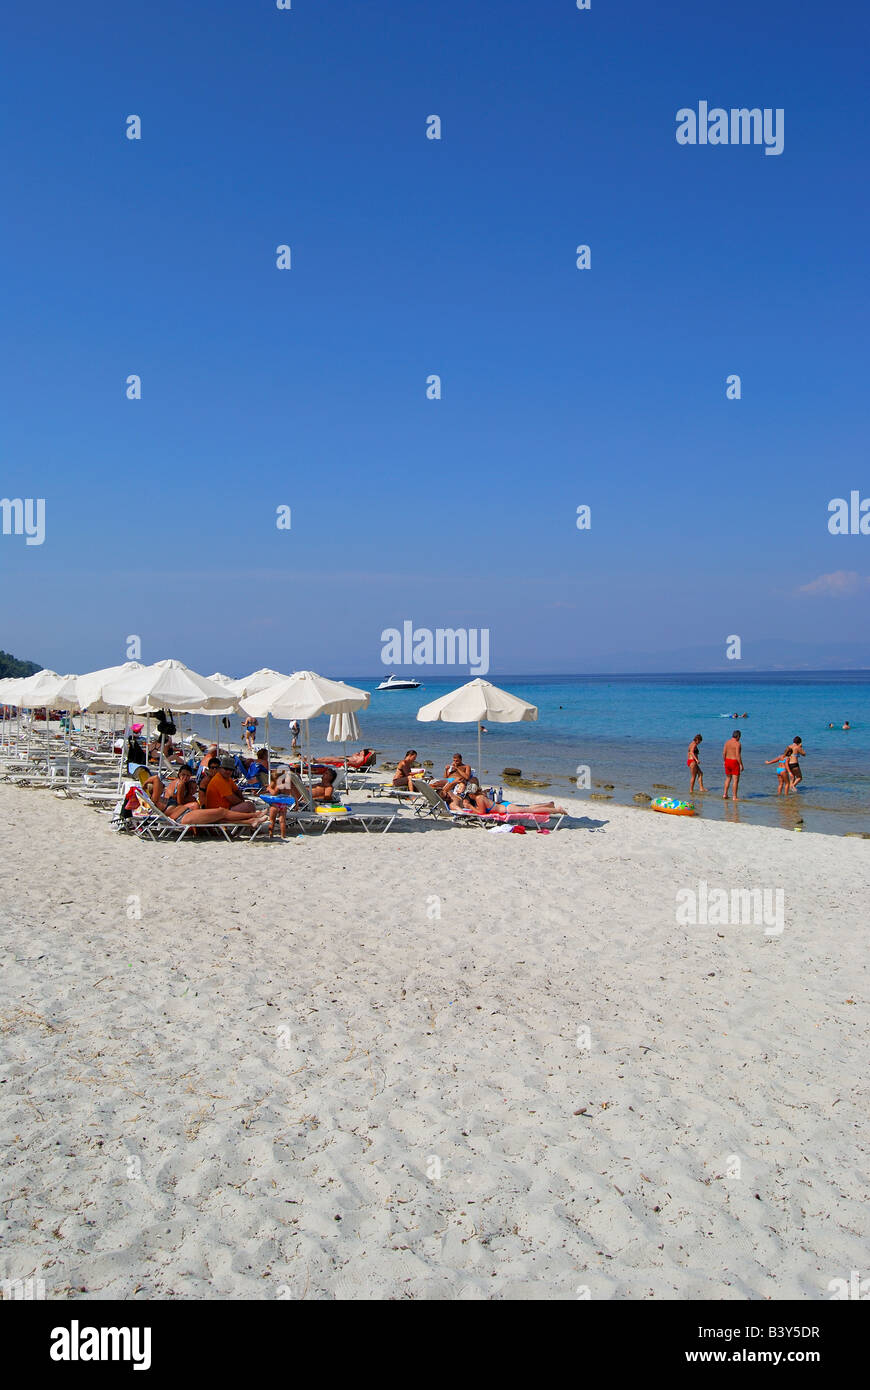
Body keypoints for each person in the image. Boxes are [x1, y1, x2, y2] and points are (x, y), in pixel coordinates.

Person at [160, 764, 266, 827]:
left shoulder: (174, 790)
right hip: (181, 817)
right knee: (221, 812)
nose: (185, 778)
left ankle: (251, 820)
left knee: (220, 816)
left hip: (184, 815)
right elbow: (179, 803)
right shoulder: (180, 784)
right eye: (183, 775)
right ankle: (254, 816)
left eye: (187, 775)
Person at [203, 755, 262, 820]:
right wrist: (242, 803)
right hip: (218, 813)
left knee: (248, 806)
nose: (228, 771)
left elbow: (237, 791)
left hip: (224, 810)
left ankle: (250, 826)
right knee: (249, 806)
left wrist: (241, 801)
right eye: (226, 769)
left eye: (230, 770)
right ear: (220, 769)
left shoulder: (227, 778)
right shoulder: (219, 780)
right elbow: (232, 799)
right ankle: (252, 825)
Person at [264, 769, 295, 838]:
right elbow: (292, 794)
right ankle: (283, 835)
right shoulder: (287, 786)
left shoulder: (278, 786)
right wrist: (297, 803)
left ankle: (271, 835)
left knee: (272, 820)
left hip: (275, 804)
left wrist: (269, 789)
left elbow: (274, 793)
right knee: (282, 821)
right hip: (283, 805)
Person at [722, 730, 743, 801]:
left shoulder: (727, 742)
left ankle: (725, 794)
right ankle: (734, 797)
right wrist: (741, 764)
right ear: (738, 736)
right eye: (739, 737)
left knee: (728, 778)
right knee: (735, 780)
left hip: (727, 760)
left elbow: (724, 752)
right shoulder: (737, 744)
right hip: (734, 762)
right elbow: (738, 755)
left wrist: (724, 760)